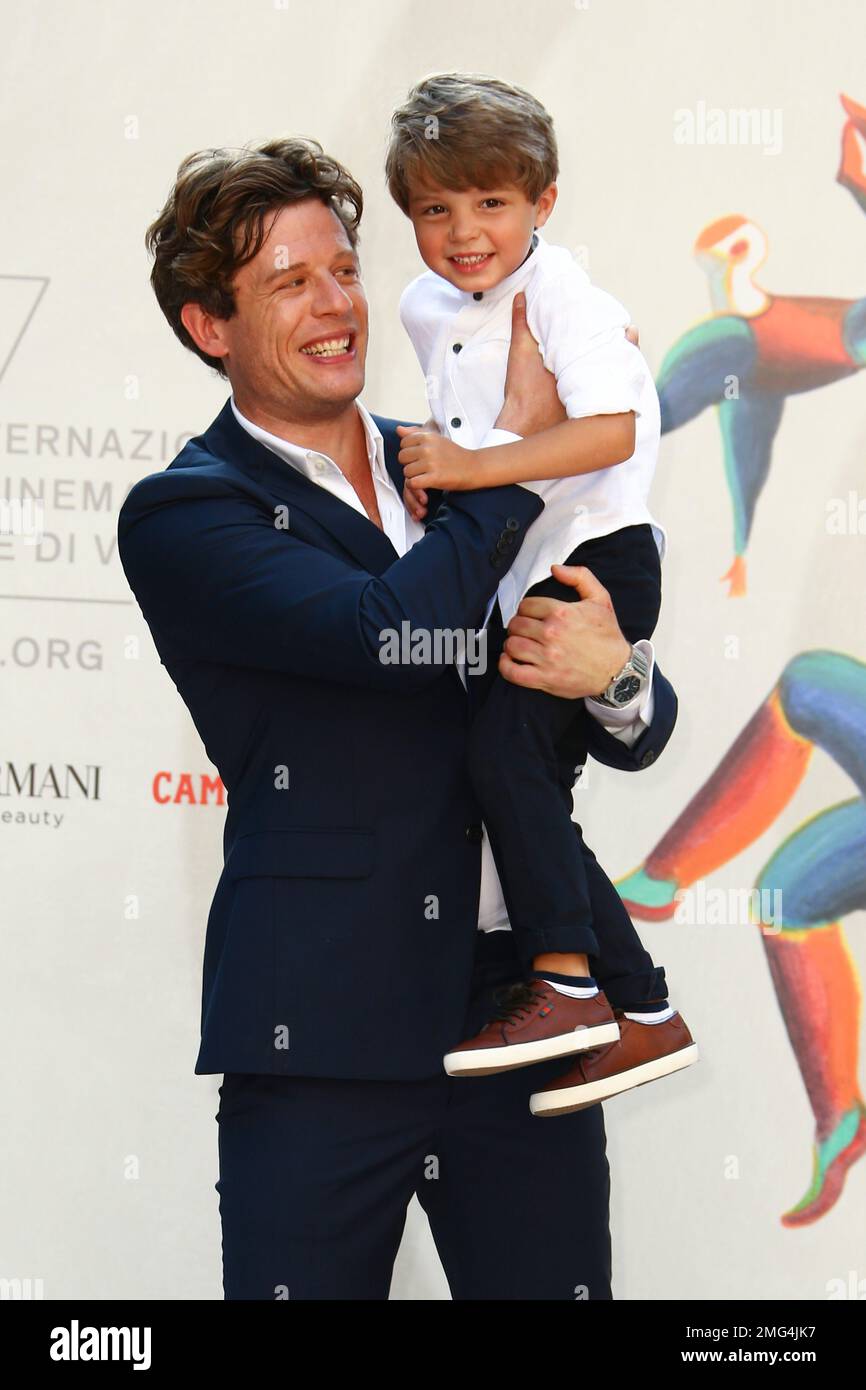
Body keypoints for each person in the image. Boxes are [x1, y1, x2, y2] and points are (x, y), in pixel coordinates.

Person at [117, 136, 680, 1299]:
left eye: (343, 270)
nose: (335, 307)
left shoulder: (451, 459)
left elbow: (613, 694)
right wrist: (517, 465)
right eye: (288, 283)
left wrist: (611, 678)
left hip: (517, 1012)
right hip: (321, 1026)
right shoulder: (188, 512)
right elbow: (383, 636)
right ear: (205, 326)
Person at [386, 72, 697, 1108]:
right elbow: (472, 428)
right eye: (435, 209)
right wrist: (455, 472)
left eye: (491, 203)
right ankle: (642, 1012)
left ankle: (567, 985)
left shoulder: (566, 295)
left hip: (592, 563)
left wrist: (474, 464)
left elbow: (611, 431)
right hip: (510, 574)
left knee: (504, 759)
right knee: (512, 780)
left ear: (542, 203)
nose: (463, 231)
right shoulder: (421, 305)